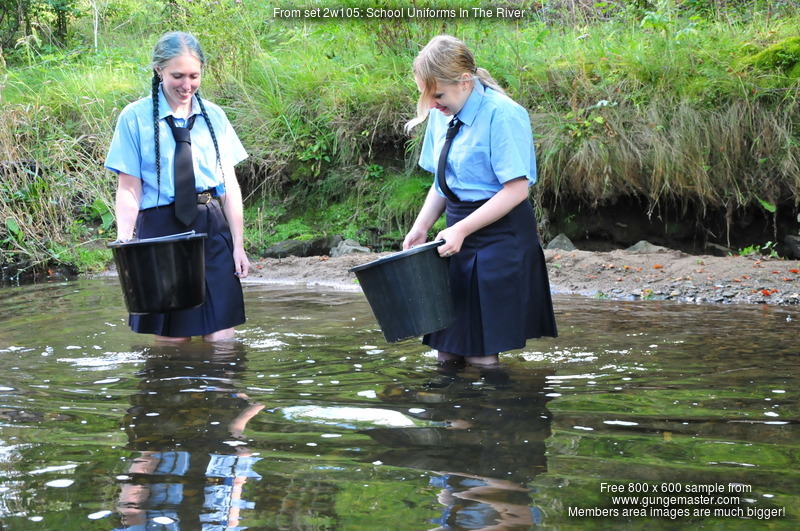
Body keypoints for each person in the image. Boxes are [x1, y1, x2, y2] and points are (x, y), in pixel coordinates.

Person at [403, 35, 557, 366]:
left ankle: (493, 415)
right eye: (426, 96)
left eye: (438, 95)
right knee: (447, 351)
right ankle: (454, 416)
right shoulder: (440, 113)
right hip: (455, 234)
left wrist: (461, 230)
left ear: (464, 80)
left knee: (481, 355)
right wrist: (421, 227)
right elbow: (443, 182)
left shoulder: (503, 115)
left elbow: (517, 190)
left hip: (501, 236)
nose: (432, 103)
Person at [106, 31, 249, 342]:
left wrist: (238, 245)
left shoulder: (216, 117)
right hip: (160, 233)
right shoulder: (134, 118)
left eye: (194, 75)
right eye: (177, 76)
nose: (187, 85)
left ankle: (224, 392)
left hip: (211, 229)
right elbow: (129, 189)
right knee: (173, 341)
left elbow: (230, 188)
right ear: (159, 71)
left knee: (222, 336)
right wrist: (125, 241)